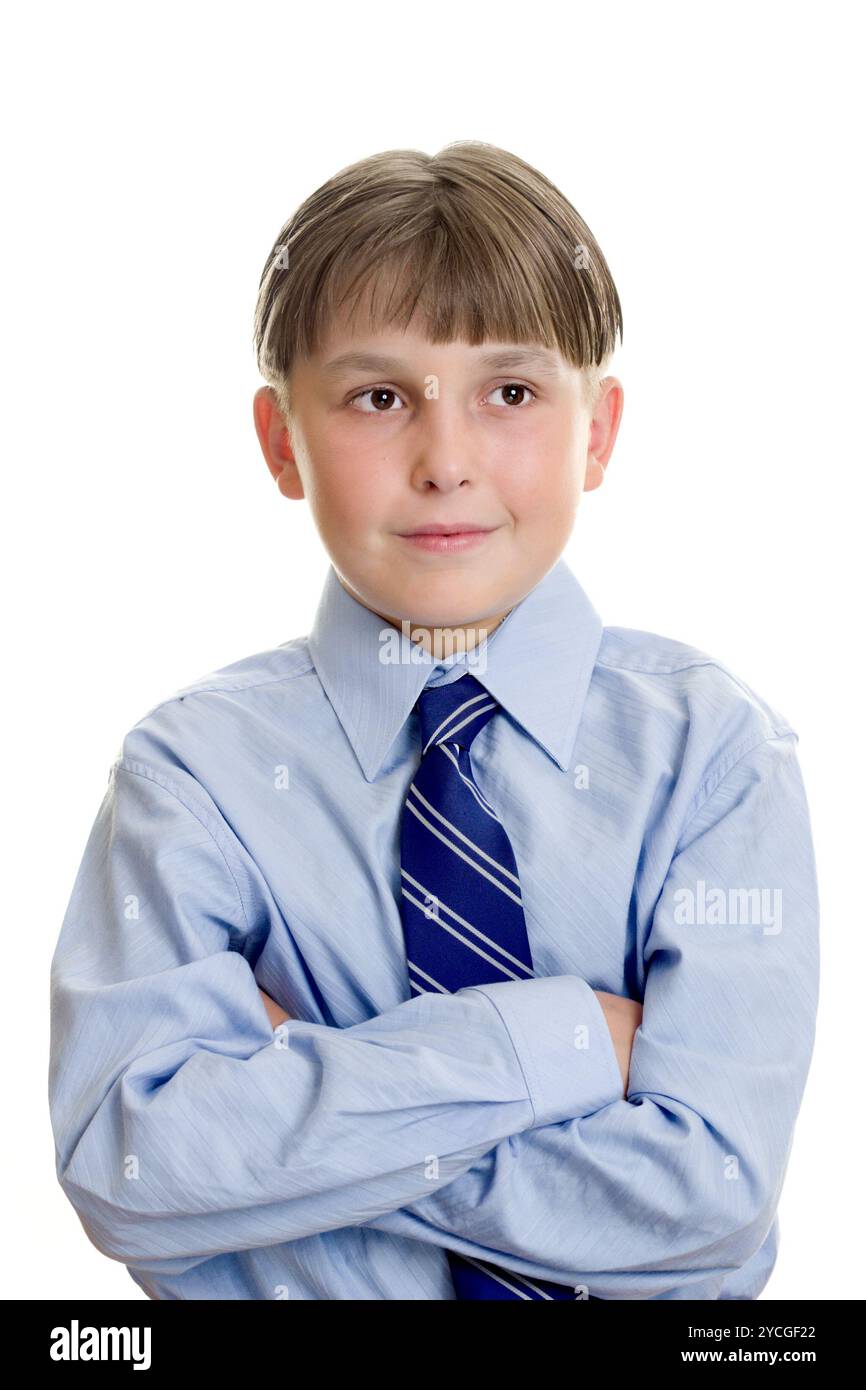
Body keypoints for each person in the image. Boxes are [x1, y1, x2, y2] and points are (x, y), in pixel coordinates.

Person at [48, 141, 819, 1300]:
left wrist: (300, 1113)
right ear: (279, 442)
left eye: (508, 393)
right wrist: (560, 1045)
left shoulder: (713, 756)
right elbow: (135, 1165)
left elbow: (703, 1203)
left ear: (596, 431)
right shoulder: (192, 776)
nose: (445, 460)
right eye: (375, 396)